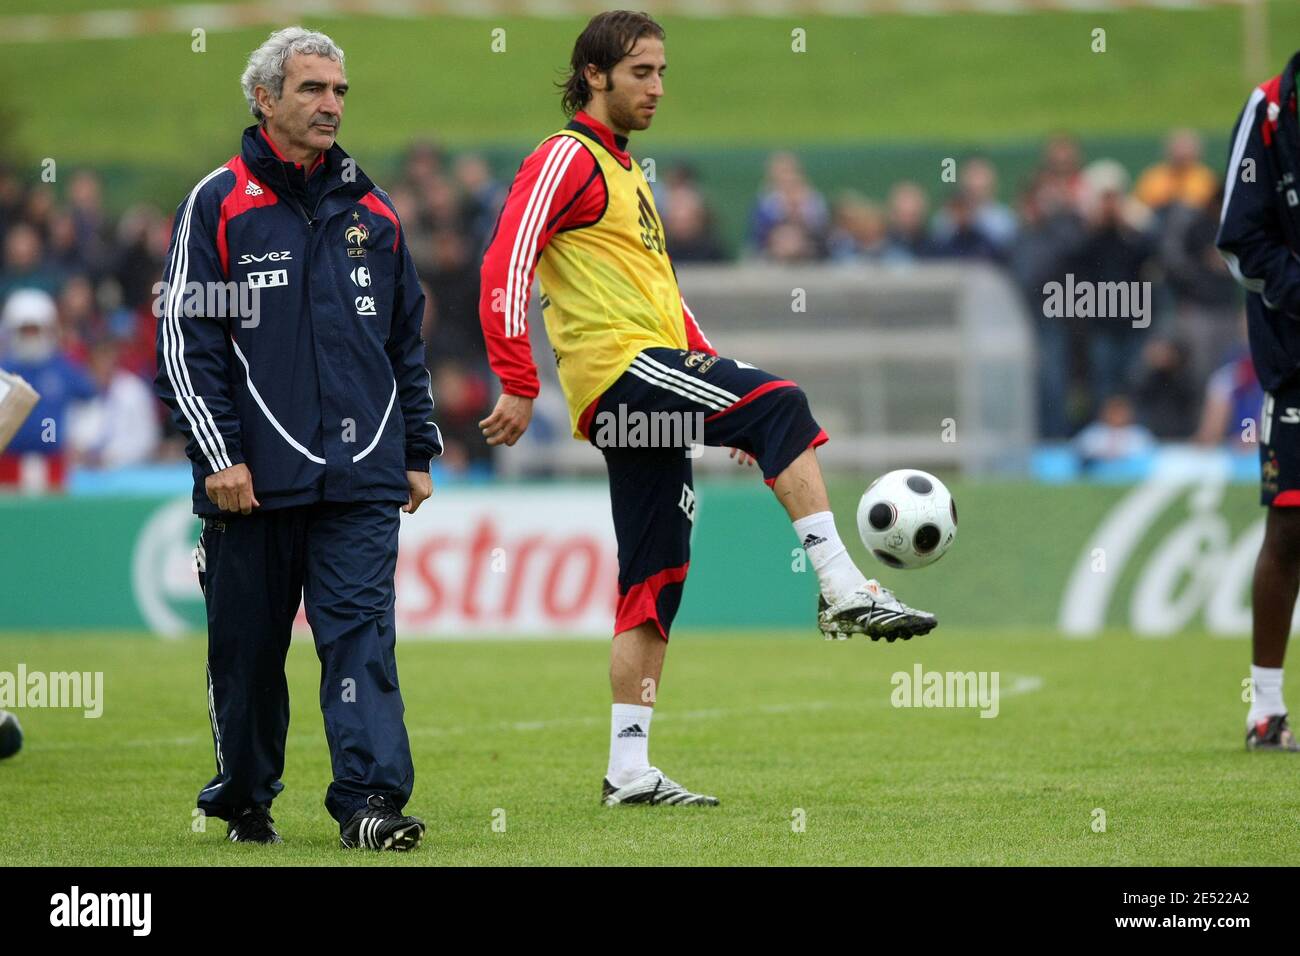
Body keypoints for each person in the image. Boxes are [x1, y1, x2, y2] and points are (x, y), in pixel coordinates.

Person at [476, 10, 936, 808]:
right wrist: (517, 378)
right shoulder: (565, 157)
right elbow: (506, 257)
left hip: (650, 375)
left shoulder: (629, 174)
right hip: (620, 374)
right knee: (784, 400)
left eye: (662, 72)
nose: (657, 87)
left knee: (655, 579)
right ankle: (842, 587)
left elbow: (670, 308)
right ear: (595, 76)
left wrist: (726, 392)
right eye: (641, 73)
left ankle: (629, 770)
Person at [153, 26, 443, 846]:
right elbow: (185, 342)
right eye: (313, 89)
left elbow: (402, 340)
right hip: (251, 484)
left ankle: (370, 804)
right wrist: (218, 457)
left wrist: (417, 448)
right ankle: (244, 798)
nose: (330, 105)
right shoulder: (217, 203)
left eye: (340, 91)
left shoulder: (374, 210)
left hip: (362, 480)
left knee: (361, 643)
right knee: (246, 660)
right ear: (264, 97)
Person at [1216, 51, 1300, 752]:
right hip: (1298, 363)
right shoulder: (1270, 112)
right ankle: (1265, 710)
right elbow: (1239, 241)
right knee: (1290, 532)